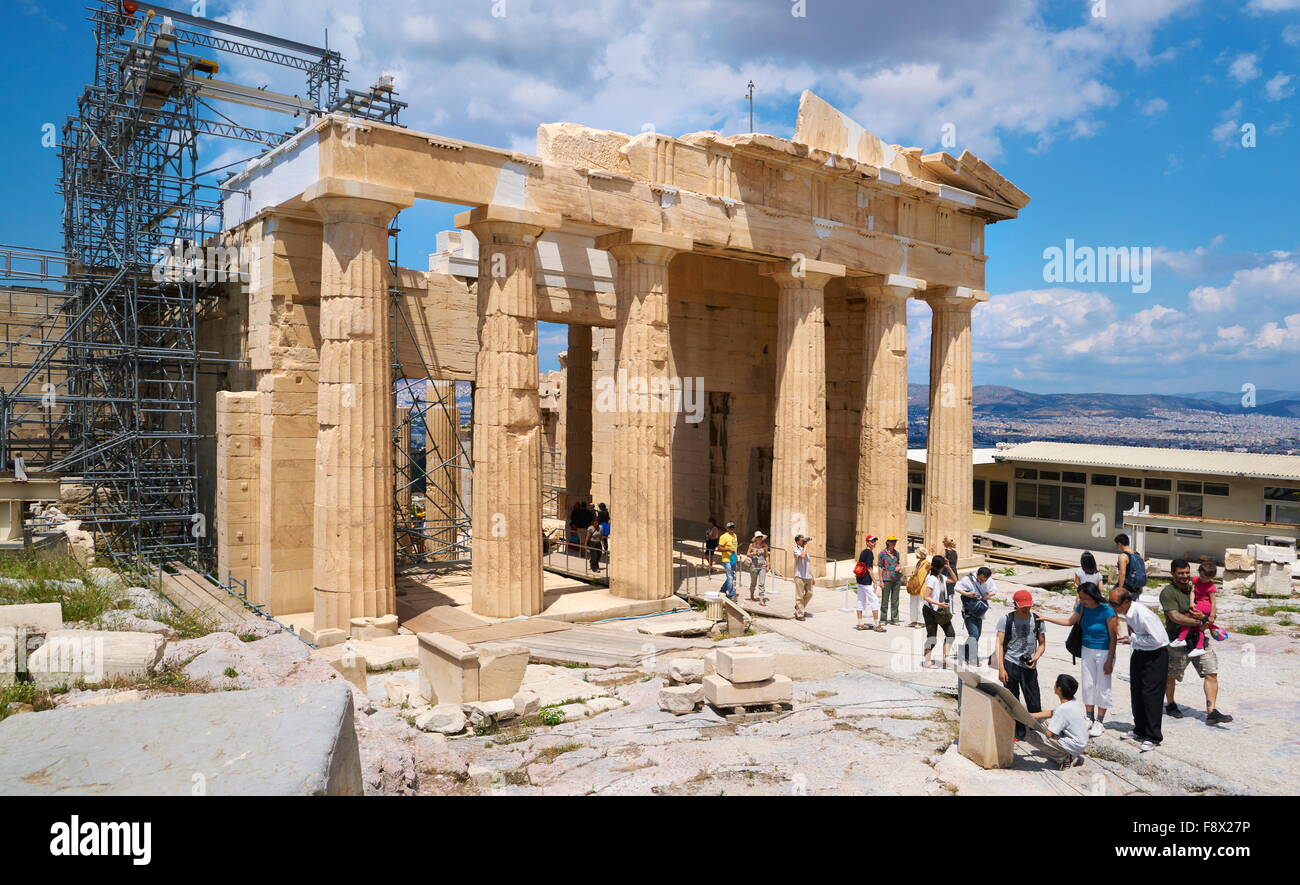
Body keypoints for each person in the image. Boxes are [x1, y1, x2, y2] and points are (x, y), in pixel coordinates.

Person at [1039, 582, 1118, 737]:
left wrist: (1110, 659)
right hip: (1086, 649)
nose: (1082, 601)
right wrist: (1046, 618)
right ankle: (1089, 716)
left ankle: (1100, 721)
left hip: (1104, 651)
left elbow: (1114, 637)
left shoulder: (1107, 610)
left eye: (1085, 598)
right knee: (1088, 684)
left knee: (1103, 685)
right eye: (1080, 598)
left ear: (1094, 596)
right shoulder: (1082, 607)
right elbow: (1069, 622)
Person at [1161, 558, 1233, 725]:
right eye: (1180, 573)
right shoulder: (1168, 592)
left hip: (1199, 639)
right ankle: (1170, 704)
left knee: (1211, 672)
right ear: (1173, 574)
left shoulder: (1198, 585)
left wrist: (1207, 618)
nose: (1184, 576)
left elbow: (1211, 609)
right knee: (1171, 676)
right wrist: (1202, 622)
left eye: (1187, 572)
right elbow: (1175, 616)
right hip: (1177, 641)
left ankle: (1212, 711)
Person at [1110, 586, 1168, 752]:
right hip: (1140, 652)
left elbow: (1157, 640)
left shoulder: (1142, 614)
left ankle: (1153, 735)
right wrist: (1132, 640)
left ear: (1126, 602)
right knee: (1137, 690)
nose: (1112, 607)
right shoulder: (1128, 613)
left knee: (1151, 694)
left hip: (1155, 655)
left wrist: (1133, 638)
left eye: (1114, 604)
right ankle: (1140, 729)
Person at [995, 589, 1046, 739]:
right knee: (1012, 700)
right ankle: (1018, 729)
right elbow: (999, 644)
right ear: (1015, 605)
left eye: (1028, 606)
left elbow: (1042, 644)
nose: (1026, 609)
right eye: (1023, 606)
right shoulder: (1006, 619)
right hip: (1010, 663)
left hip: (1030, 666)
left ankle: (1035, 729)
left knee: (1034, 700)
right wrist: (1001, 668)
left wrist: (1036, 657)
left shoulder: (1037, 620)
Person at [1027, 674, 1090, 769]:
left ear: (1059, 689)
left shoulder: (1062, 709)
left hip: (1074, 744)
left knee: (1031, 737)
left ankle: (1065, 758)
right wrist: (1031, 716)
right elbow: (1052, 712)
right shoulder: (1073, 702)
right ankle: (1066, 753)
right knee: (1042, 722)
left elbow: (1049, 734)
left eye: (1056, 683)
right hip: (1081, 741)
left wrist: (1031, 727)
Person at [1171, 560, 1222, 657]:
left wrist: (1212, 615)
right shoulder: (1195, 580)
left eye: (1207, 578)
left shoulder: (1211, 587)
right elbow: (1193, 592)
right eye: (1202, 576)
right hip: (1198, 603)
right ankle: (1199, 647)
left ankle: (1181, 638)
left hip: (1205, 605)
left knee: (1187, 618)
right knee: (1199, 628)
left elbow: (1213, 601)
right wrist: (1191, 602)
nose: (1204, 579)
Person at [953, 566, 996, 666]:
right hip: (968, 611)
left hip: (980, 611)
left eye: (984, 580)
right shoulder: (967, 579)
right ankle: (971, 658)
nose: (982, 581)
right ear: (977, 575)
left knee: (977, 635)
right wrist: (967, 594)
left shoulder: (989, 580)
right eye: (980, 579)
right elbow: (957, 587)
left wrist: (988, 595)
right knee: (974, 635)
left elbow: (994, 590)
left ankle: (963, 650)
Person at [921, 554, 955, 668]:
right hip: (930, 610)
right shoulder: (932, 579)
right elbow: (926, 597)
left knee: (950, 634)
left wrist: (949, 568)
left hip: (941, 610)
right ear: (940, 566)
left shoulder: (941, 577)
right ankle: (927, 661)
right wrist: (939, 603)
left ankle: (946, 659)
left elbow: (954, 580)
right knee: (932, 637)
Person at [854, 534, 885, 632]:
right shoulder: (869, 553)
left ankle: (860, 624)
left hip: (860, 580)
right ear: (867, 542)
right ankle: (877, 625)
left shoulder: (863, 552)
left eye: (875, 541)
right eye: (872, 541)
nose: (874, 543)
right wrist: (875, 581)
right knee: (874, 600)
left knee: (860, 600)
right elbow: (869, 568)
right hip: (866, 581)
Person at [878, 535, 903, 626]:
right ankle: (883, 619)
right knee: (885, 600)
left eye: (895, 541)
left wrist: (899, 567)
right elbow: (880, 567)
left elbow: (898, 563)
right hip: (886, 579)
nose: (894, 543)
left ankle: (895, 619)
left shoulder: (897, 553)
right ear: (887, 542)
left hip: (896, 579)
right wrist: (880, 580)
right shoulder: (882, 554)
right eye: (892, 541)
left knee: (895, 600)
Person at [905, 547, 930, 628]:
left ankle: (921, 622)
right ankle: (914, 620)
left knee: (920, 604)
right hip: (915, 587)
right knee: (913, 603)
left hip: (922, 587)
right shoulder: (919, 562)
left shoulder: (927, 564)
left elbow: (926, 575)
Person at [792, 534, 814, 621]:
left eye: (803, 540)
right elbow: (802, 556)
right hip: (799, 576)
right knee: (799, 596)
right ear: (797, 541)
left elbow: (808, 564)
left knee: (810, 593)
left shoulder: (806, 551)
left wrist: (812, 577)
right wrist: (805, 546)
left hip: (808, 576)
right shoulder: (796, 549)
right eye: (801, 540)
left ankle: (799, 606)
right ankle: (799, 614)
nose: (803, 541)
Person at [746, 531, 769, 605]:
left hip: (762, 566)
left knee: (762, 583)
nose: (760, 538)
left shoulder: (765, 545)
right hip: (753, 566)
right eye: (758, 537)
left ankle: (761, 599)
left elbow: (766, 556)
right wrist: (753, 553)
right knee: (753, 583)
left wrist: (768, 565)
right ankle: (752, 594)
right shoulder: (751, 545)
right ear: (755, 538)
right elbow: (747, 554)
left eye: (761, 537)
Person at [718, 521, 739, 599]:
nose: (732, 529)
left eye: (733, 527)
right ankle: (731, 594)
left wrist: (736, 557)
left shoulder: (735, 536)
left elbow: (735, 547)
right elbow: (719, 548)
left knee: (732, 577)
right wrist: (727, 549)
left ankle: (723, 589)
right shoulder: (723, 536)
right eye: (730, 527)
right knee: (730, 577)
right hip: (726, 559)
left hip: (733, 558)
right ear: (727, 528)